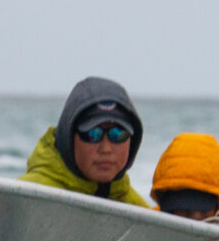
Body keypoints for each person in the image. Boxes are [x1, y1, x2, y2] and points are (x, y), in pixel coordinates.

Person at [20, 76, 149, 204]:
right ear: (68, 138)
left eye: (118, 134)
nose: (106, 149)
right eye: (92, 134)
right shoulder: (24, 198)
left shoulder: (141, 213)